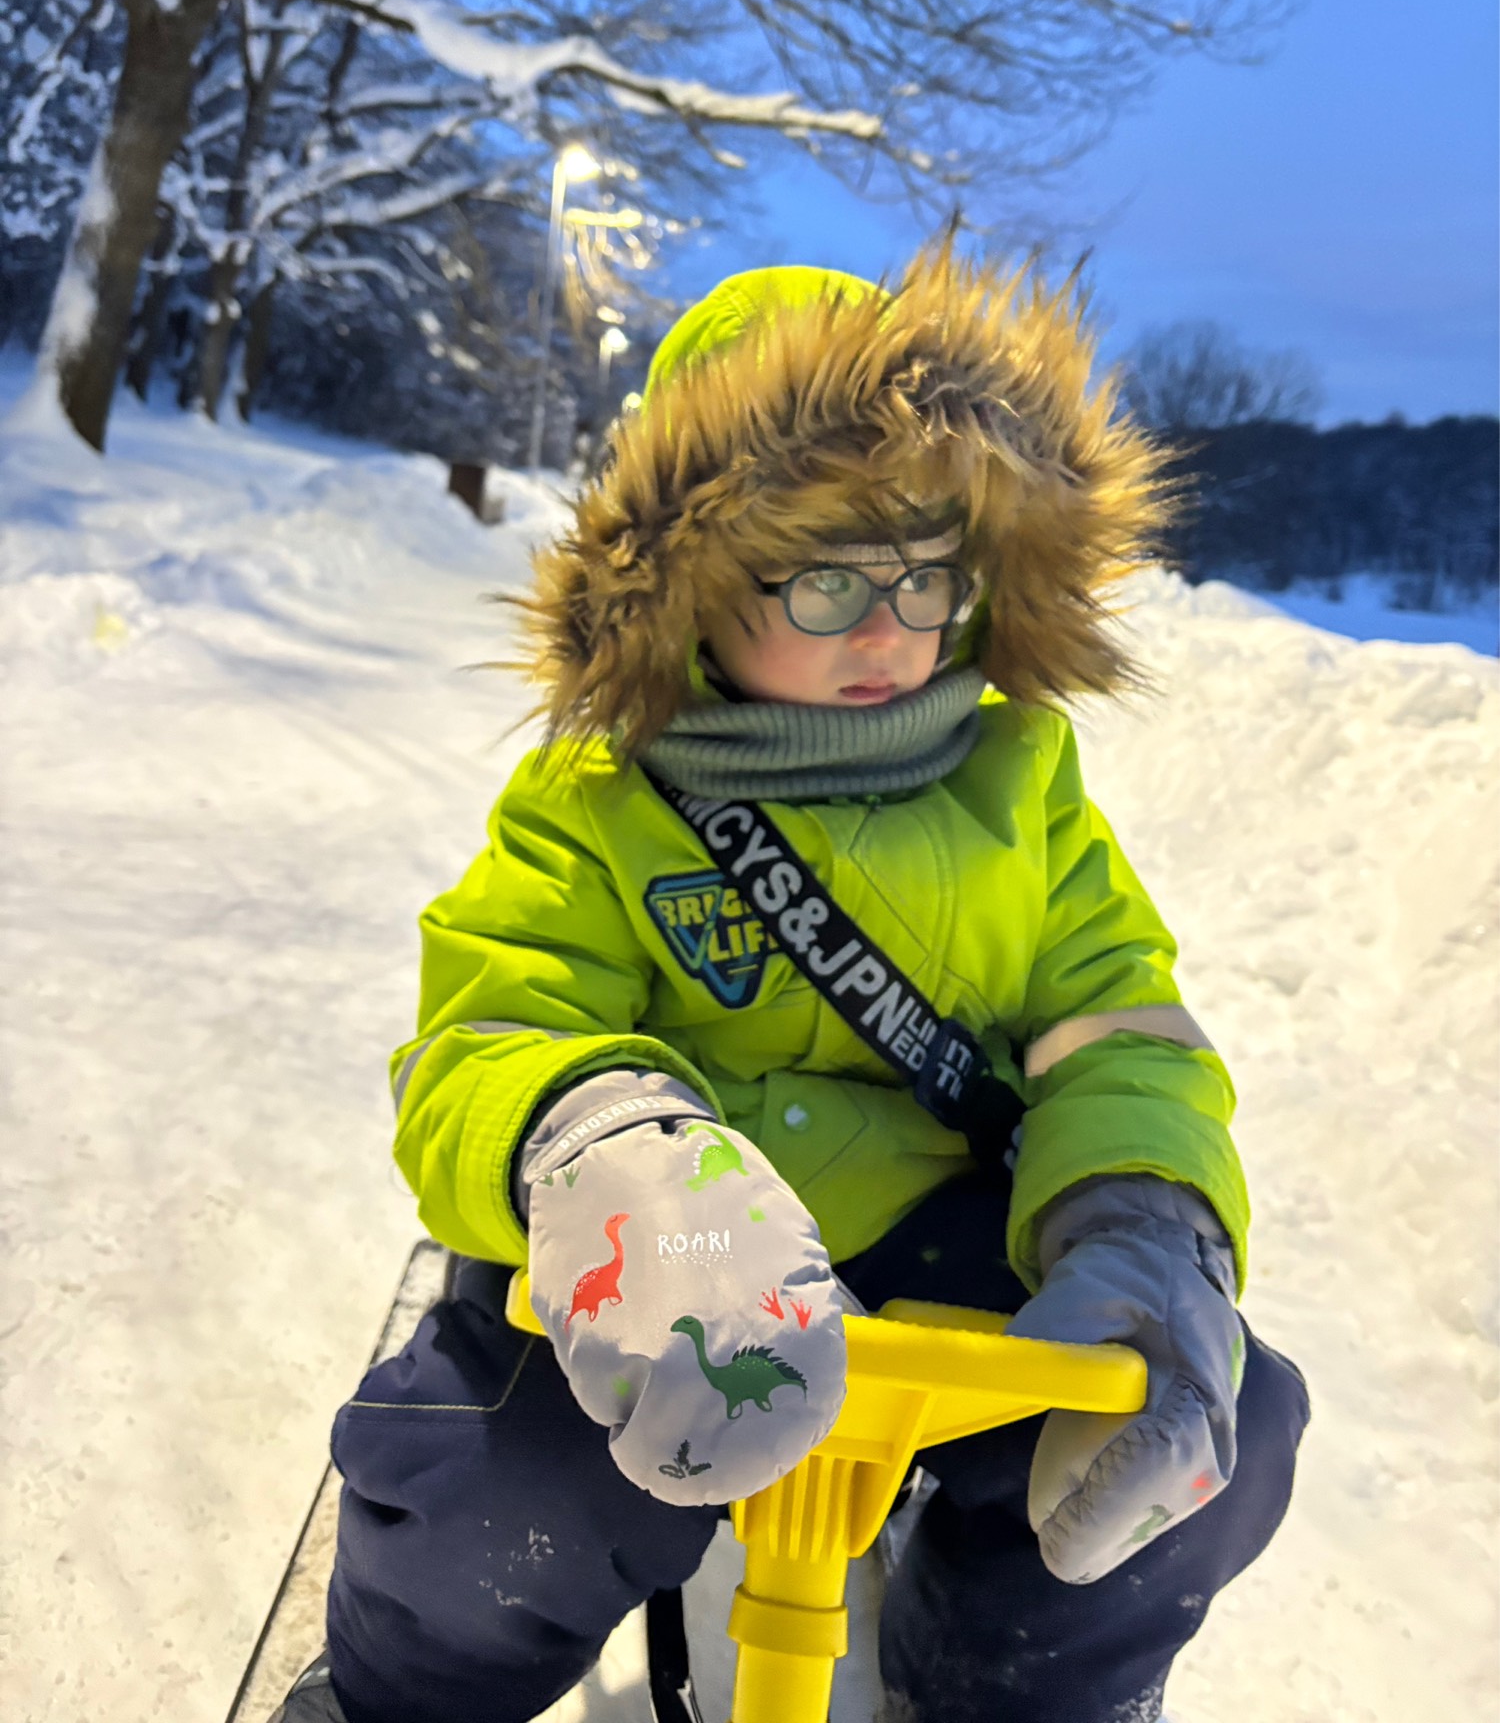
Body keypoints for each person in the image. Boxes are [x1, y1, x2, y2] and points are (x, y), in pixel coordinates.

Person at [272, 247, 1309, 1723]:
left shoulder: (1027, 792)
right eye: (825, 582)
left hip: (943, 1244)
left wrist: (1142, 1222)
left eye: (925, 576)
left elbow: (1120, 1032)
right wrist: (598, 1147)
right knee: (484, 1485)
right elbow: (493, 1024)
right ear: (699, 577)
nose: (887, 627)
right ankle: (394, 1698)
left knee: (1216, 1428)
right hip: (661, 1247)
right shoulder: (601, 795)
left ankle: (1011, 1685)